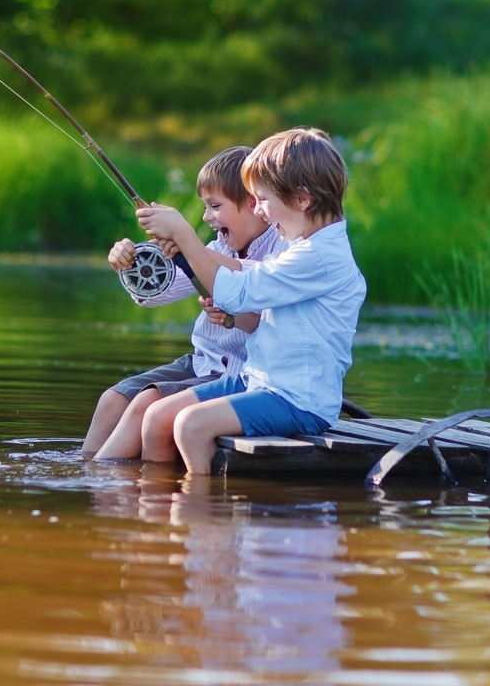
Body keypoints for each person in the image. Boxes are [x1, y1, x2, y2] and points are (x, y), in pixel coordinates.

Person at [135, 127, 367, 474]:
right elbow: (247, 293)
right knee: (157, 415)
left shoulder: (319, 256)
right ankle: (157, 510)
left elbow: (237, 291)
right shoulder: (300, 246)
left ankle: (200, 517)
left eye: (262, 199)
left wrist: (184, 235)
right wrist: (189, 254)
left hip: (296, 400)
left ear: (302, 199)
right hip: (257, 380)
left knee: (191, 426)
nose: (258, 210)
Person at [82, 146, 286, 460]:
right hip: (202, 363)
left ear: (251, 203)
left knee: (144, 404)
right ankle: (85, 471)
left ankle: (102, 483)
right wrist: (132, 262)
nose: (207, 217)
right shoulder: (219, 245)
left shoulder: (281, 248)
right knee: (112, 399)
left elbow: (255, 279)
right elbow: (158, 294)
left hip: (241, 375)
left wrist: (188, 243)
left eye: (215, 206)